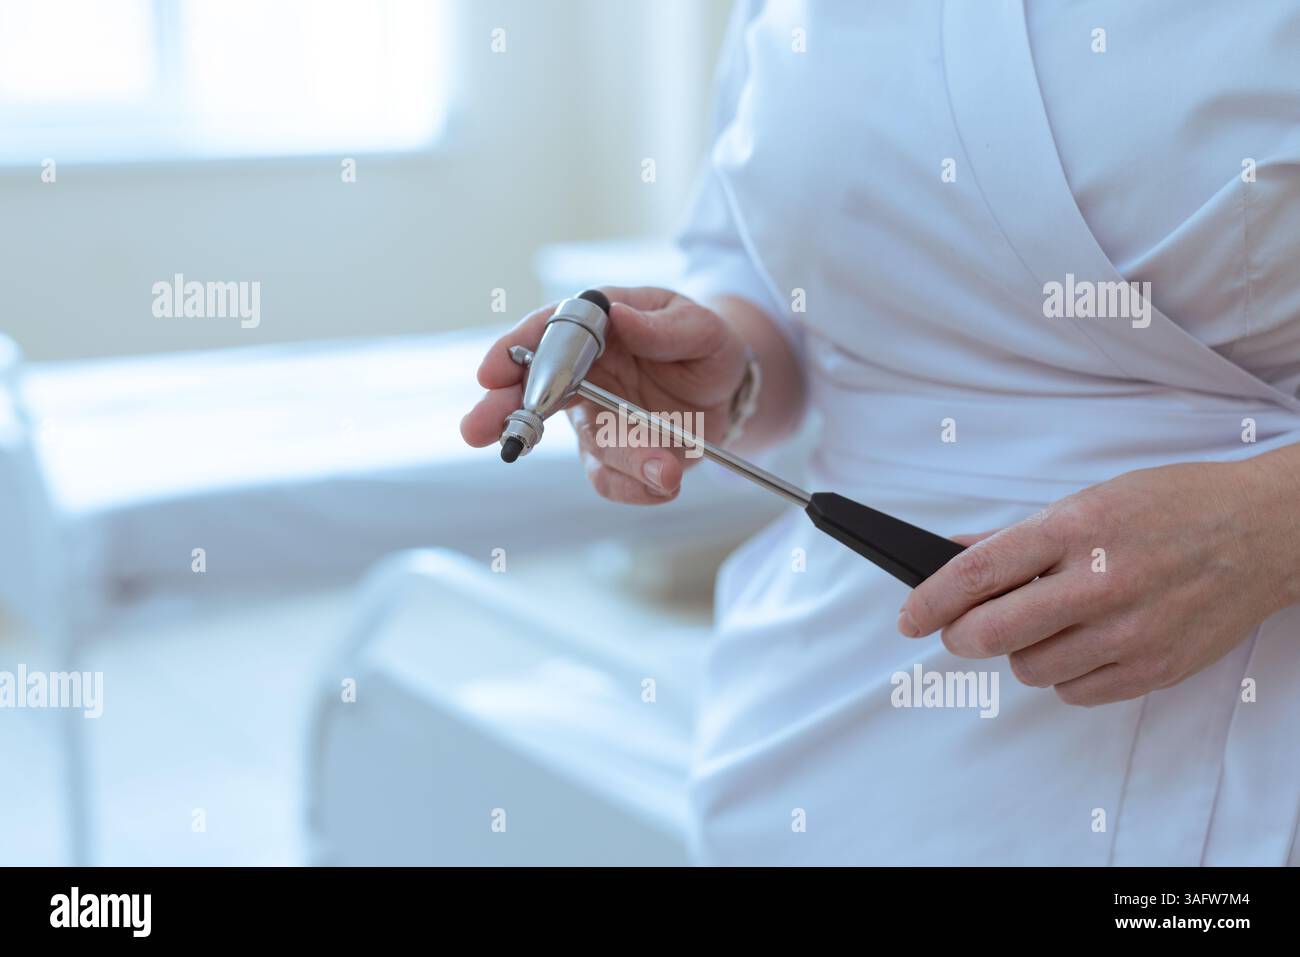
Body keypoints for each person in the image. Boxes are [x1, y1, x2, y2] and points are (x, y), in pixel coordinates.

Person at [462, 0, 1300, 864]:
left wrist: (1269, 525)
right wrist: (733, 369)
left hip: (1252, 701)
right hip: (832, 715)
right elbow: (763, 260)